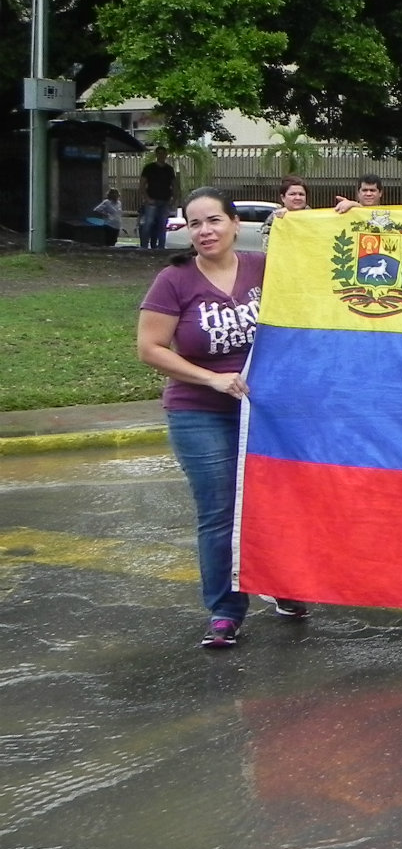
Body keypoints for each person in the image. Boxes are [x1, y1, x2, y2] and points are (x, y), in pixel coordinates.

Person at [137, 187, 307, 647]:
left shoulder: (263, 269)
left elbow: (322, 280)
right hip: (200, 411)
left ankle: (283, 584)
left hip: (266, 412)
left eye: (214, 220)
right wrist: (209, 378)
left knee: (274, 502)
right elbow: (150, 348)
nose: (205, 231)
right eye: (195, 224)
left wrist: (345, 217)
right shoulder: (174, 280)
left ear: (235, 224)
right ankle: (225, 610)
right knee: (219, 511)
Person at [138, 149, 178, 249]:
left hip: (165, 200)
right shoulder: (149, 168)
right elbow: (142, 184)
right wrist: (147, 198)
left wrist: (173, 199)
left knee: (162, 225)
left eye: (163, 153)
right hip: (152, 200)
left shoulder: (169, 169)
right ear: (156, 154)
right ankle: (144, 247)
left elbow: (174, 185)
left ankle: (160, 247)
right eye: (159, 153)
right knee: (148, 224)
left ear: (166, 155)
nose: (161, 155)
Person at [260, 175, 310, 249]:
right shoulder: (275, 219)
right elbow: (268, 247)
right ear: (283, 198)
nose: (298, 198)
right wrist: (280, 219)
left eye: (301, 194)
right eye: (292, 194)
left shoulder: (315, 218)